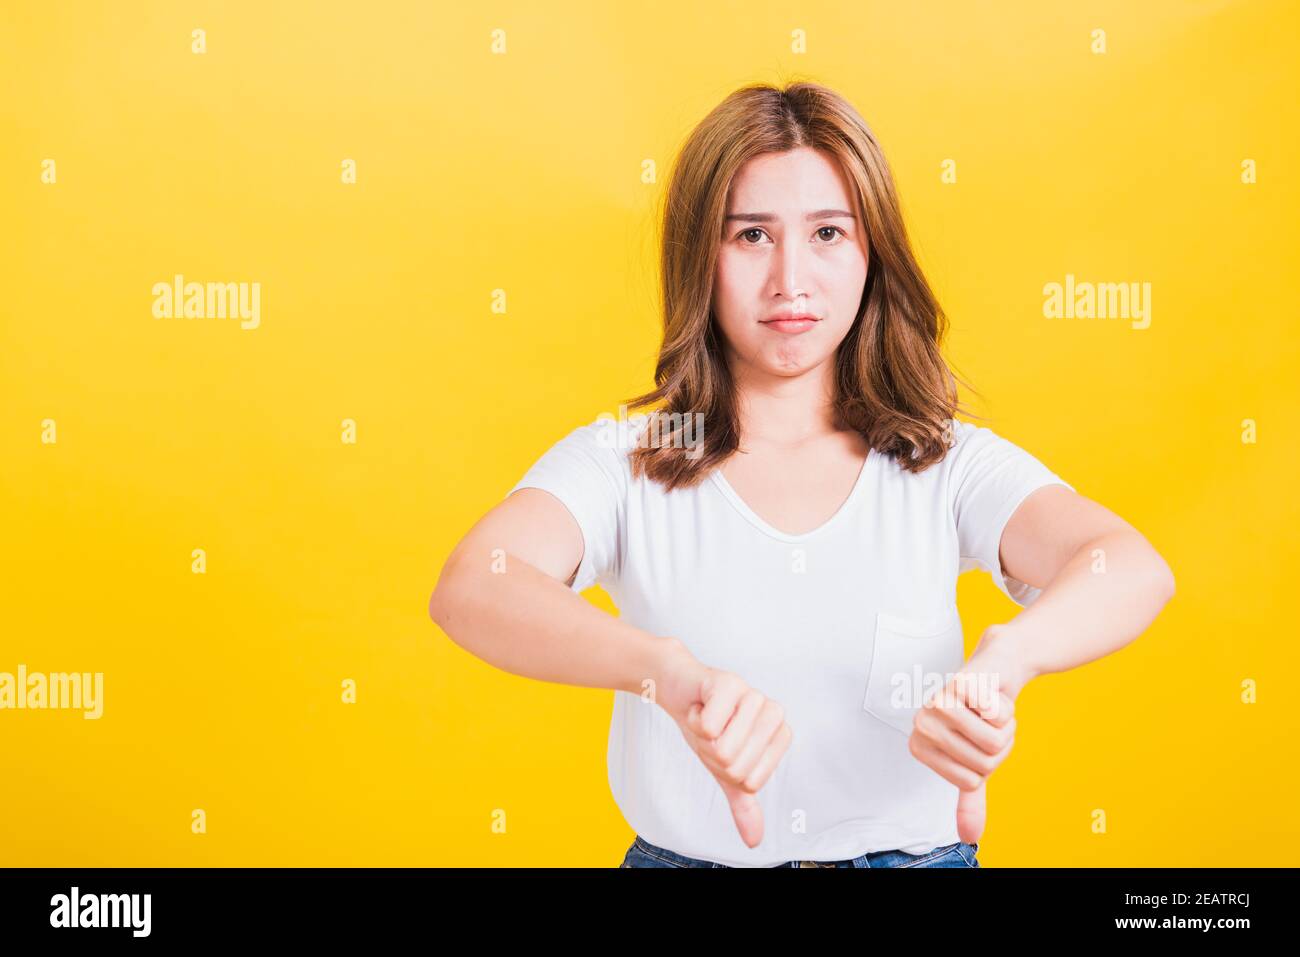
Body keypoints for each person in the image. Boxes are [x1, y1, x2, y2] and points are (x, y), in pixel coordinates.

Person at [428, 81, 1176, 869]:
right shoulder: (632, 458)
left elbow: (1129, 565)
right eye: (751, 235)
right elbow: (475, 584)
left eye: (827, 232)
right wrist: (665, 674)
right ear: (700, 258)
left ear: (871, 253)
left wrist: (1006, 659)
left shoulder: (938, 456)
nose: (791, 278)